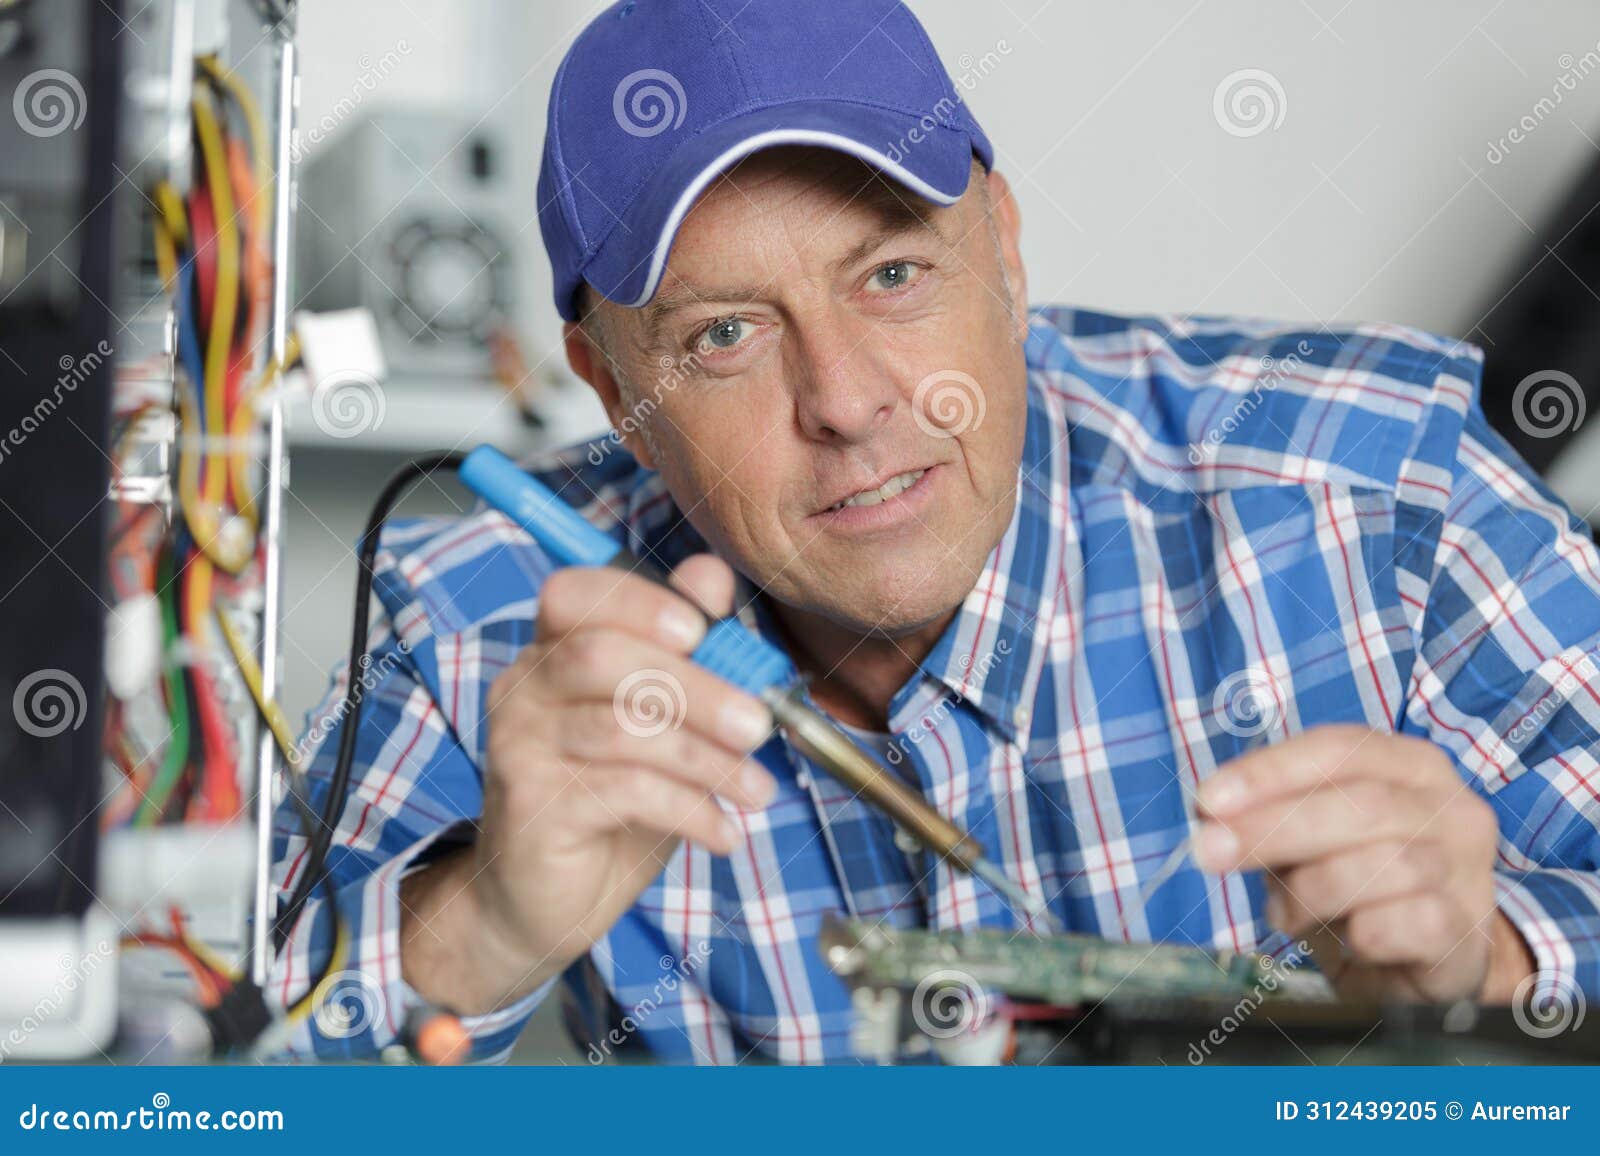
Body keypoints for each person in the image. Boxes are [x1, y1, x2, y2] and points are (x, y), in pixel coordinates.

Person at [271, 0, 1600, 1062]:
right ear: (617, 390)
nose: (845, 403)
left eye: (894, 275)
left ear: (1007, 255)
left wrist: (1492, 971)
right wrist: (483, 927)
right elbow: (203, 1073)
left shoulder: (1374, 493)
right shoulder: (484, 618)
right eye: (723, 336)